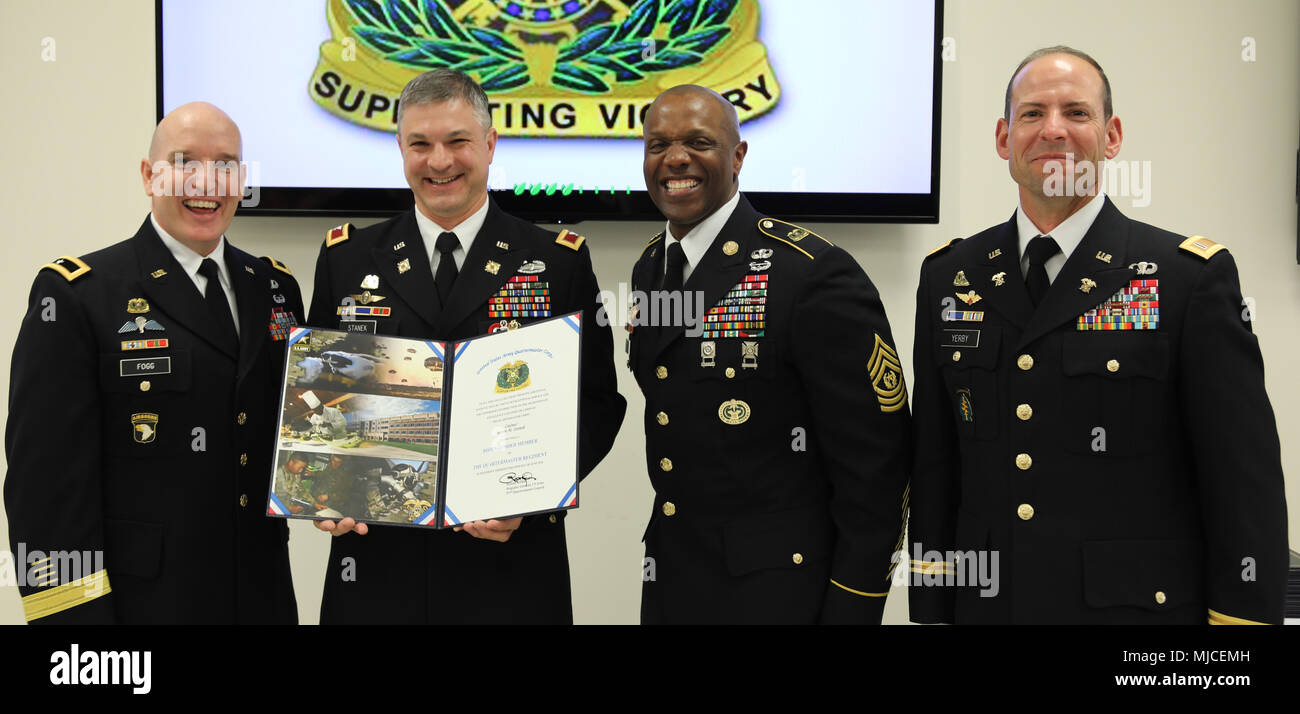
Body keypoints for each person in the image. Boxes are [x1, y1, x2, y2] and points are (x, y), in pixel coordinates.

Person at [907, 47, 1288, 625]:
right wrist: (932, 609)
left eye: (1076, 113)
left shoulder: (1184, 277)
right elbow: (936, 473)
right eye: (1032, 114)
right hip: (989, 610)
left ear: (1111, 137)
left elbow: (1242, 479)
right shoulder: (951, 276)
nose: (1052, 130)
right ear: (1003, 138)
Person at [307, 68, 626, 624]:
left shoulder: (557, 261)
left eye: (457, 142)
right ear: (400, 149)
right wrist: (323, 482)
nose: (439, 162)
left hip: (510, 565)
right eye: (420, 144)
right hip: (379, 566)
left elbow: (598, 402)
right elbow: (320, 392)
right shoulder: (347, 259)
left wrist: (531, 496)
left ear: (490, 144)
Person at [4, 102, 304, 624]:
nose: (206, 181)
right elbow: (44, 491)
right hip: (141, 610)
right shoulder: (80, 295)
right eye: (185, 162)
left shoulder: (274, 288)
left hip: (261, 600)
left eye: (227, 164)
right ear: (149, 175)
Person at [628, 85, 911, 624]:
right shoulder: (652, 267)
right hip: (674, 577)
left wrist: (857, 601)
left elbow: (877, 463)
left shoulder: (810, 272)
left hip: (781, 590)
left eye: (698, 142)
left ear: (738, 157)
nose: (675, 159)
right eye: (658, 144)